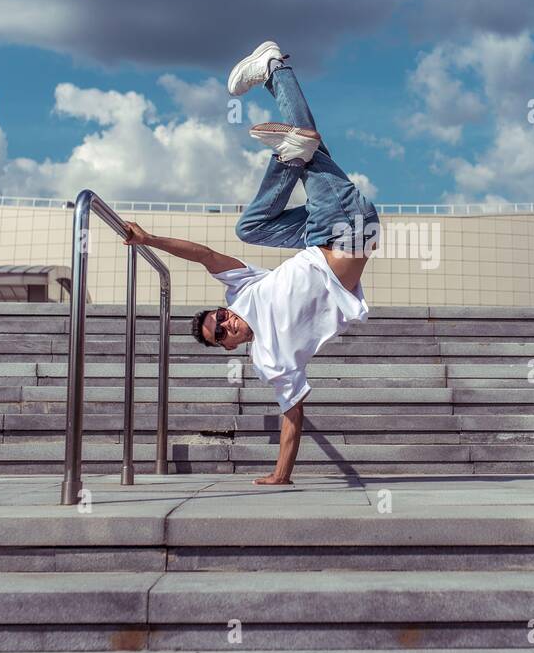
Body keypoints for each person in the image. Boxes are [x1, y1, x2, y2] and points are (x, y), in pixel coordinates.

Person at [123, 40, 379, 485]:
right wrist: (281, 475)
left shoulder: (242, 290)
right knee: (307, 152)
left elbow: (203, 255)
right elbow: (293, 416)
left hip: (315, 235)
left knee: (250, 228)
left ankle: (290, 139)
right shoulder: (270, 360)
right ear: (228, 348)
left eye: (220, 319)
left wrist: (150, 238)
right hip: (351, 232)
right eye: (221, 333)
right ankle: (277, 87)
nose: (228, 325)